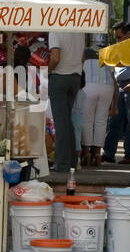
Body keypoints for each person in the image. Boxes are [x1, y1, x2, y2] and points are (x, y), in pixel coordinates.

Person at [47, 29, 85, 173]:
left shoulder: (55, 31)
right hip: (75, 77)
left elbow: (55, 58)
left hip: (59, 77)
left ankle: (62, 163)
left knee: (61, 123)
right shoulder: (80, 31)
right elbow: (83, 57)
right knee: (67, 121)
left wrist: (47, 71)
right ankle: (72, 162)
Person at [103, 22, 130, 164]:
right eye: (116, 38)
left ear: (128, 34)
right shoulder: (119, 47)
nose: (117, 40)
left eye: (120, 37)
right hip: (119, 85)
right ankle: (108, 153)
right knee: (114, 121)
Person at [79, 42, 115, 167]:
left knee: (87, 120)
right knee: (101, 121)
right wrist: (115, 104)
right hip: (107, 86)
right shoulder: (108, 51)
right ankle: (98, 154)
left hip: (88, 84)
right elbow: (113, 76)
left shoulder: (85, 51)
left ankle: (86, 152)